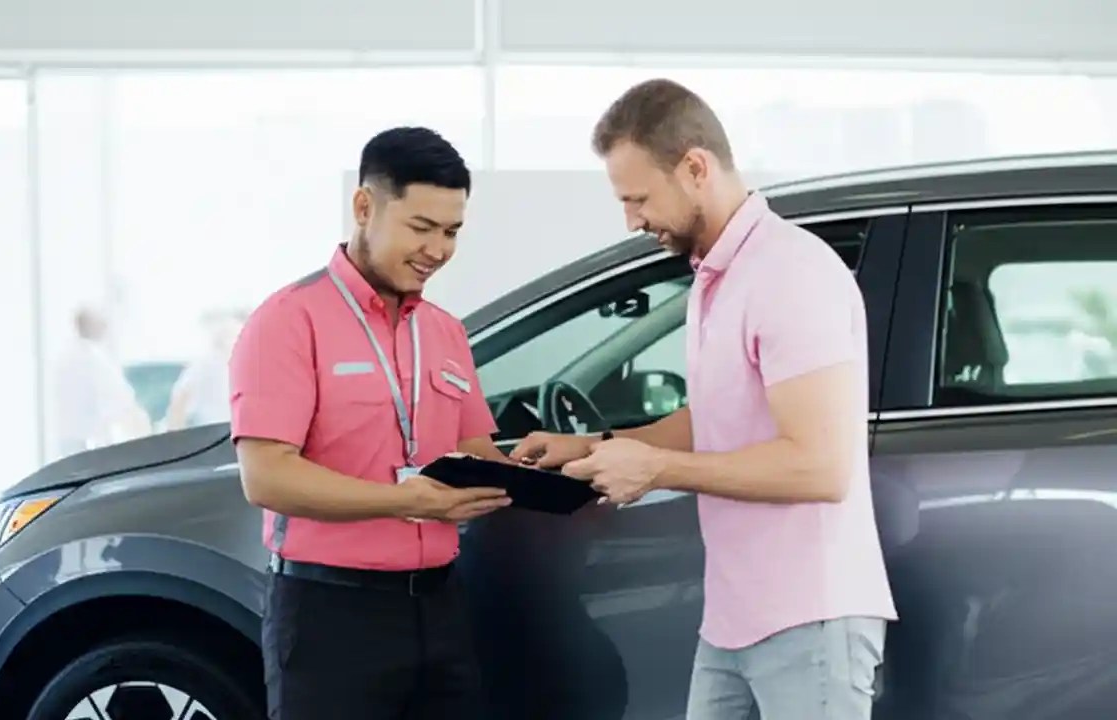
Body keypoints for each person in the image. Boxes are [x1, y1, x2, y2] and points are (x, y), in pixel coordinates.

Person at [511, 78, 897, 719]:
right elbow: (716, 418)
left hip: (808, 615)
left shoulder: (790, 273)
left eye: (638, 198)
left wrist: (656, 470)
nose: (632, 220)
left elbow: (820, 467)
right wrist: (591, 446)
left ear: (695, 168)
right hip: (734, 618)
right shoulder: (719, 278)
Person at [229, 126, 513, 719]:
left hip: (441, 607)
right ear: (364, 207)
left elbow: (474, 452)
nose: (437, 250)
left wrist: (552, 468)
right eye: (421, 227)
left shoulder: (445, 332)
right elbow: (267, 477)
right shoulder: (288, 320)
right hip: (330, 614)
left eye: (451, 232)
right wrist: (402, 500)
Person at [49, 304, 151, 457]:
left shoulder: (65, 357)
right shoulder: (94, 358)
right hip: (90, 442)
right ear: (92, 326)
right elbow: (120, 399)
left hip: (68, 439)